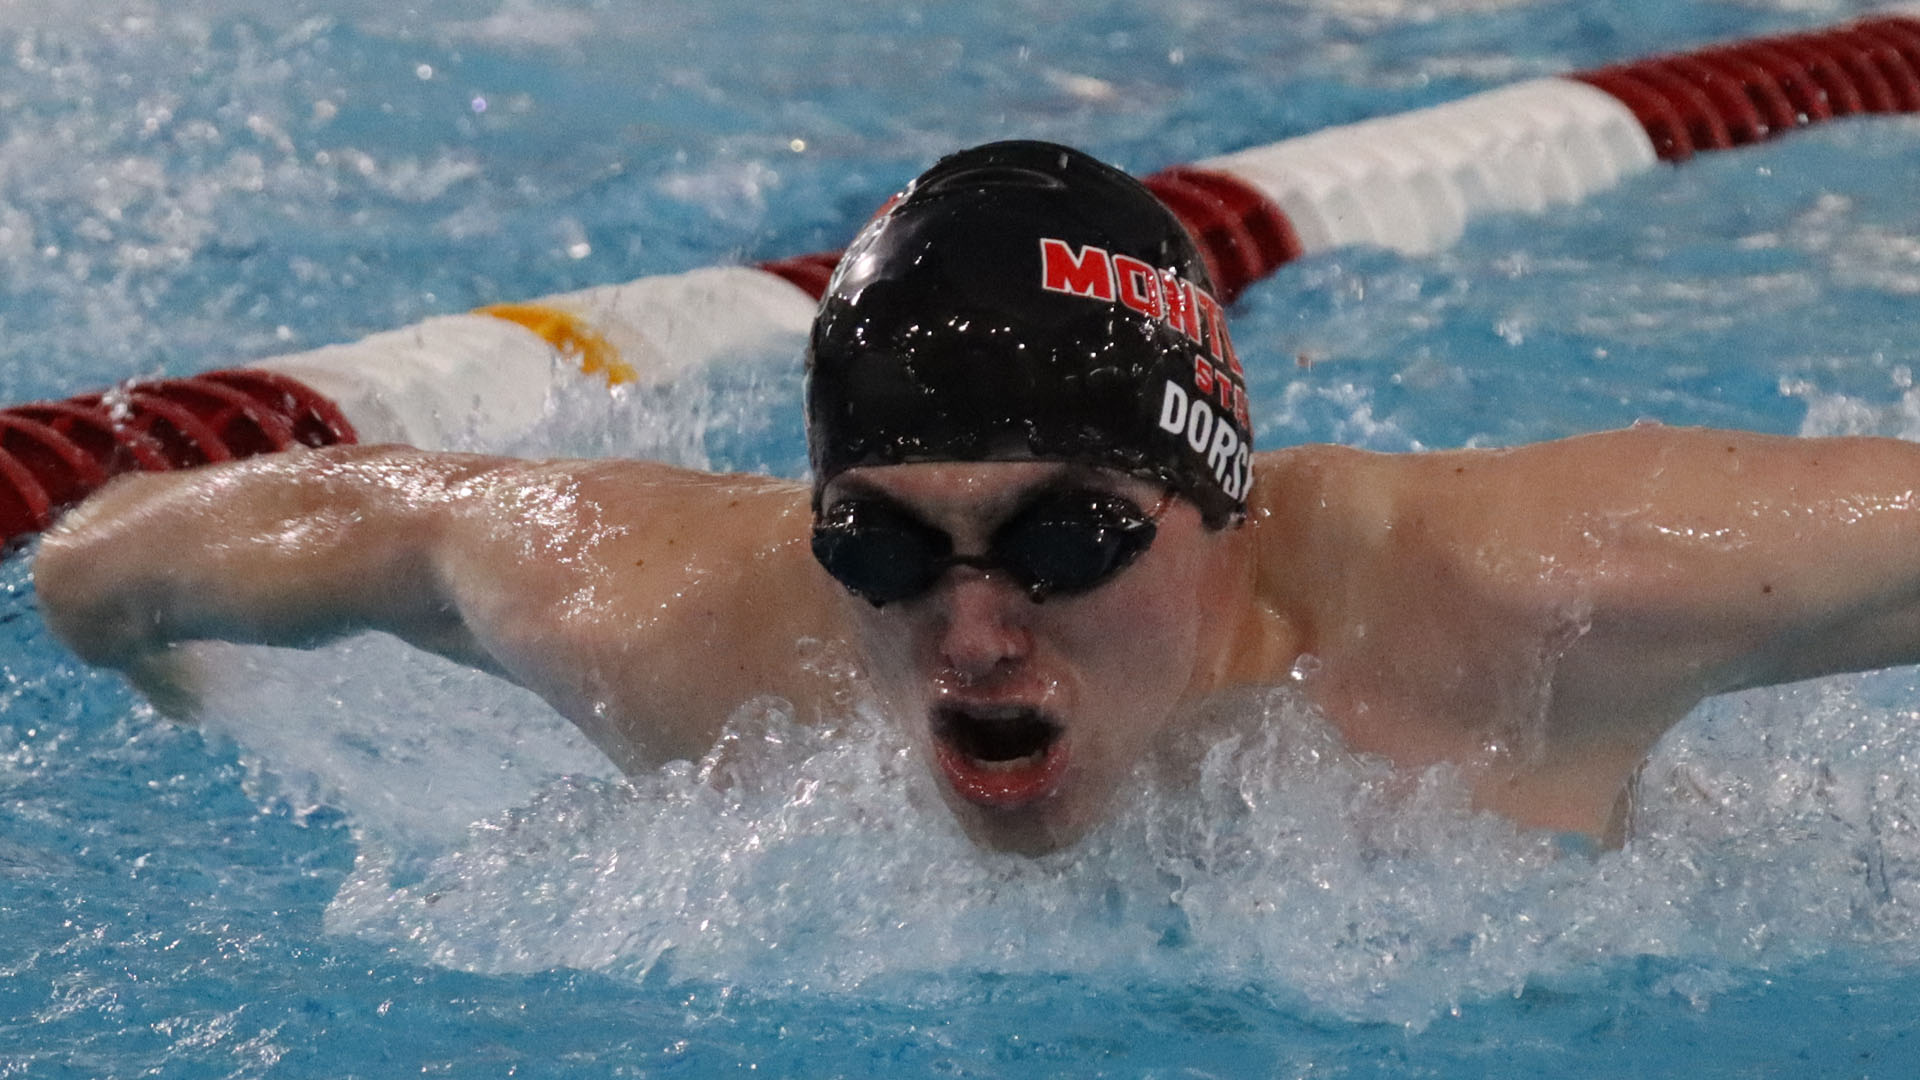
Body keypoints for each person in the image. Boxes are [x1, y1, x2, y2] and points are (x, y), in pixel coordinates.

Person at [32, 140, 1920, 853]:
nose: (974, 630)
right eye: (882, 543)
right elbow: (349, 524)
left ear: (1226, 505)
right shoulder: (695, 633)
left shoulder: (1528, 601)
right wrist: (110, 608)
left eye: (1068, 536)